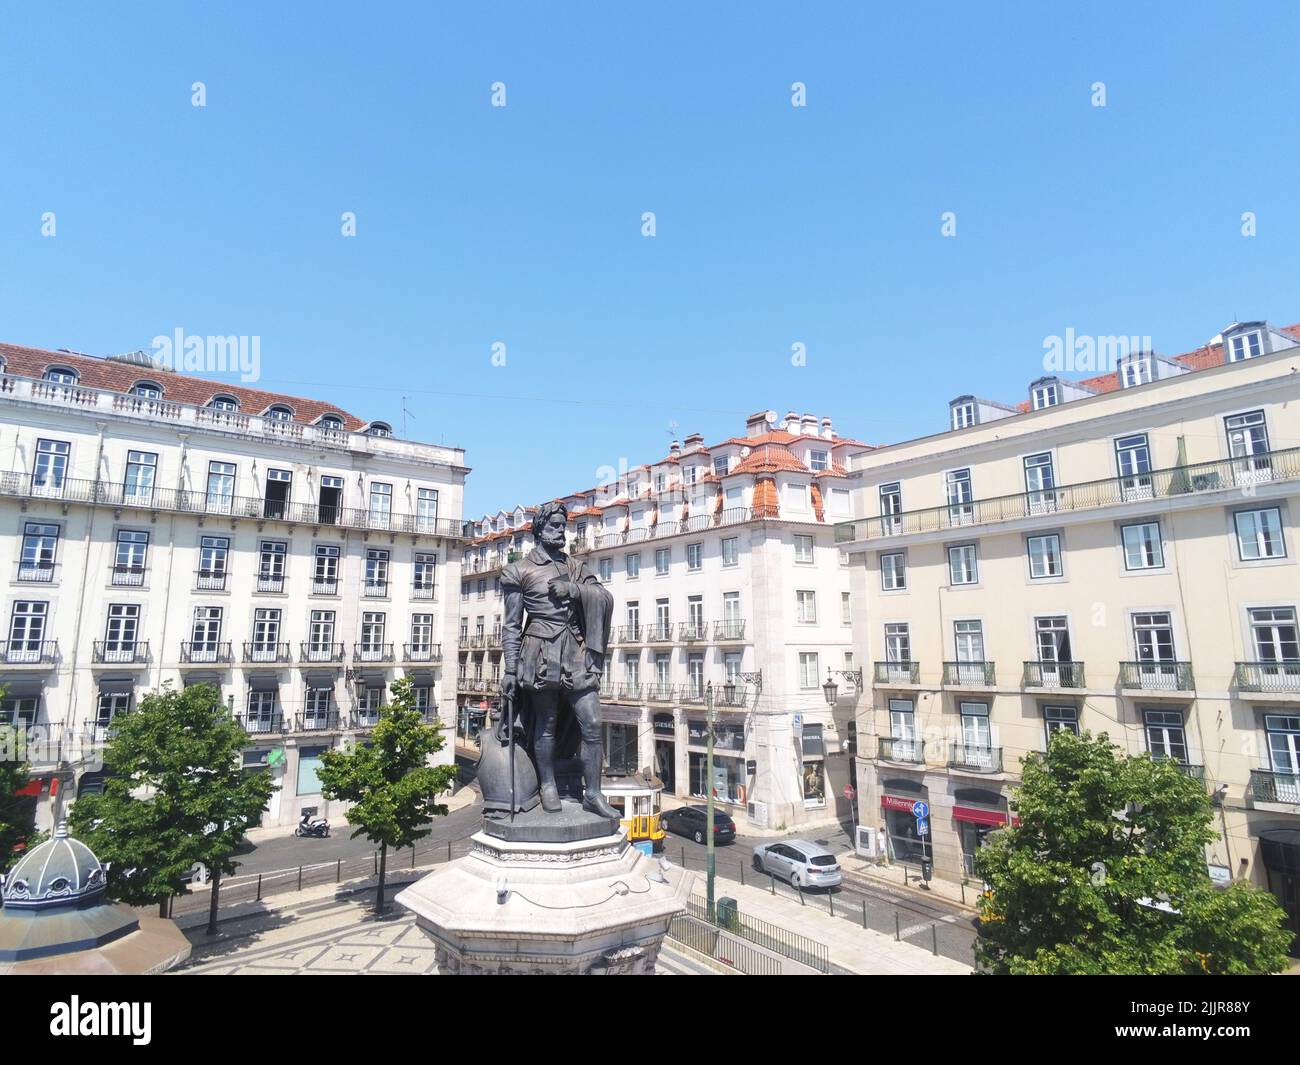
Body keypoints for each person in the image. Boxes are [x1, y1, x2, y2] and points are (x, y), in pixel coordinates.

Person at [500, 502, 618, 818]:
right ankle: (548, 785)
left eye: (562, 526)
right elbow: (511, 625)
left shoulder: (576, 567)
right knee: (546, 725)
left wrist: (575, 590)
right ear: (539, 529)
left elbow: (603, 597)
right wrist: (510, 668)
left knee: (592, 722)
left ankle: (593, 793)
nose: (560, 532)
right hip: (539, 653)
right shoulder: (519, 570)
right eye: (554, 526)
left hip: (577, 651)